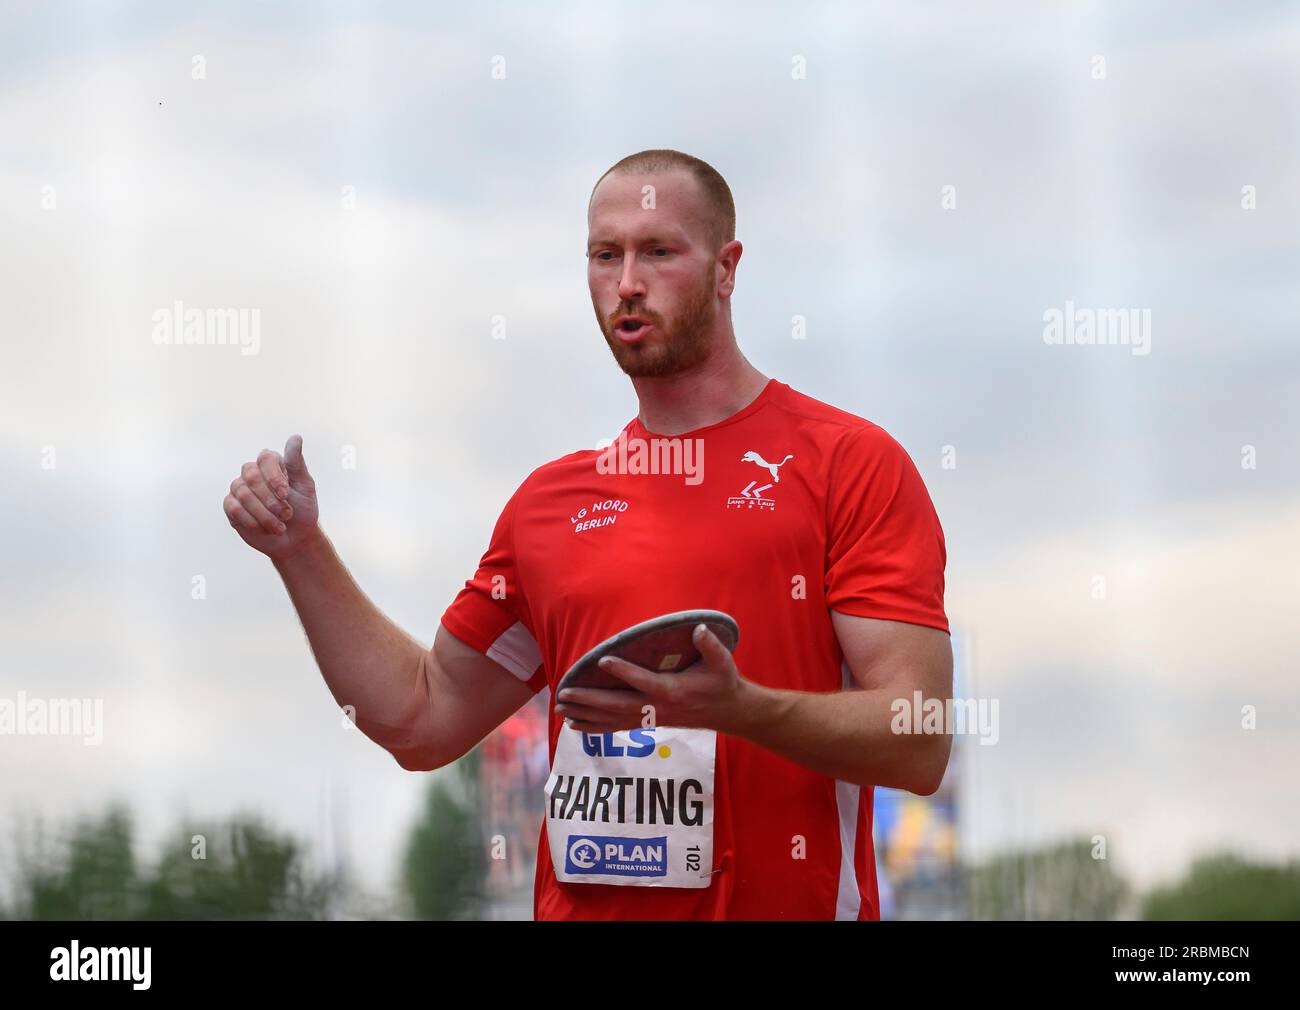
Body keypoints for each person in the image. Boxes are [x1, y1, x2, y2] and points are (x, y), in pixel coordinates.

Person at [222, 149, 953, 920]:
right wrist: (300, 551)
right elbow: (420, 717)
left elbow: (921, 735)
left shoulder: (846, 464)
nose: (627, 282)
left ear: (727, 268)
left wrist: (739, 708)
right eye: (606, 256)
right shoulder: (551, 504)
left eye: (659, 251)